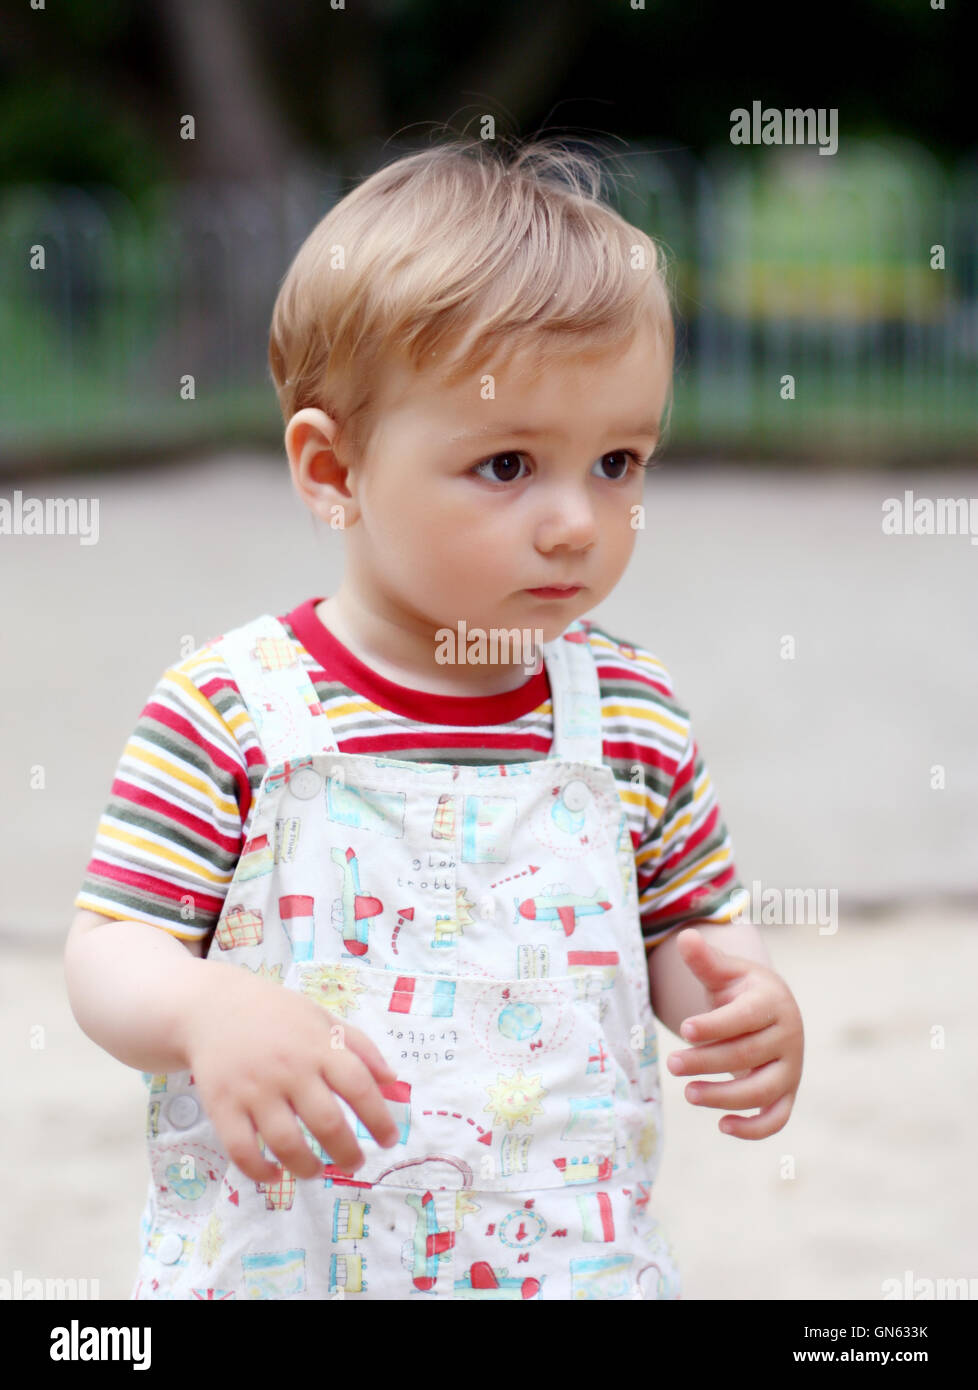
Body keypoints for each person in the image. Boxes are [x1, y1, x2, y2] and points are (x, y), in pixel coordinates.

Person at [64, 135, 803, 1301]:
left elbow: (690, 923)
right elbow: (109, 949)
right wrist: (205, 1007)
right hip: (290, 1260)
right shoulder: (231, 709)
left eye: (618, 462)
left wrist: (743, 1002)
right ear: (333, 468)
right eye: (509, 465)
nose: (576, 522)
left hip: (568, 1259)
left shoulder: (630, 716)